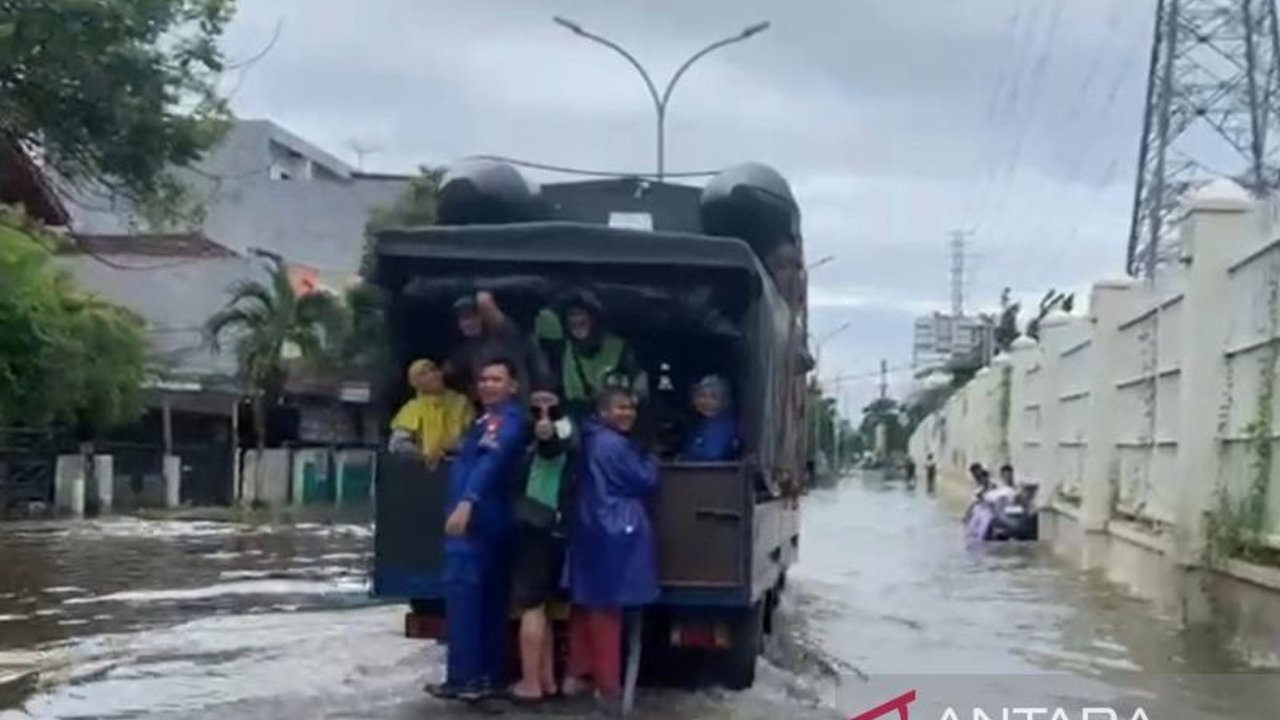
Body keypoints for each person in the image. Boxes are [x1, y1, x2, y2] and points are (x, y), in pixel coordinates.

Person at [427, 357, 528, 702]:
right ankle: (487, 675)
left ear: (513, 386)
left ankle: (464, 677)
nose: (487, 385)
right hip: (488, 520)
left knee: (465, 599)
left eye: (496, 379)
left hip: (478, 522)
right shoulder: (486, 420)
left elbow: (491, 463)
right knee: (488, 602)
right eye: (484, 379)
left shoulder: (506, 422)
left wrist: (467, 503)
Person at [562, 387, 660, 706]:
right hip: (618, 529)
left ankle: (577, 674)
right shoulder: (615, 445)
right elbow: (645, 480)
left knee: (587, 604)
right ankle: (609, 687)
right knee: (608, 611)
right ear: (603, 411)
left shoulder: (589, 438)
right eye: (620, 407)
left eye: (631, 408)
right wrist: (651, 458)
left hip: (591, 525)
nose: (627, 413)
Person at [508, 380, 577, 704]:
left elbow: (552, 445)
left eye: (549, 402)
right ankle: (547, 680)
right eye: (536, 403)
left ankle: (530, 682)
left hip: (537, 526)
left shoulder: (556, 434)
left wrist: (545, 428)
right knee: (545, 608)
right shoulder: (569, 432)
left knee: (531, 607)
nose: (542, 410)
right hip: (555, 528)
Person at [537, 290, 648, 419]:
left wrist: (631, 400)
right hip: (576, 414)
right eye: (572, 318)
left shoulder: (619, 347)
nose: (576, 321)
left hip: (614, 416)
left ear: (593, 319)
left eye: (582, 318)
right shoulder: (561, 348)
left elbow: (639, 380)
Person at [444, 291, 534, 397]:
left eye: (473, 317)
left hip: (516, 405)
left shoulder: (504, 333)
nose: (468, 323)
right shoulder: (467, 349)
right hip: (490, 407)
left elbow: (485, 301)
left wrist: (482, 300)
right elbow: (448, 371)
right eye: (463, 319)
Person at [388, 359, 473, 468]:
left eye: (434, 370)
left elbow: (473, 438)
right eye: (424, 374)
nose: (433, 375)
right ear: (414, 383)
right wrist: (423, 455)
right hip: (422, 470)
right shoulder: (412, 408)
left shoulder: (461, 402)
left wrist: (450, 449)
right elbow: (397, 444)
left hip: (459, 465)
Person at [679, 375, 740, 462]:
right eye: (702, 396)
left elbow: (713, 454)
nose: (707, 402)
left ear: (724, 401)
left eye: (714, 397)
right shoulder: (700, 424)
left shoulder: (726, 425)